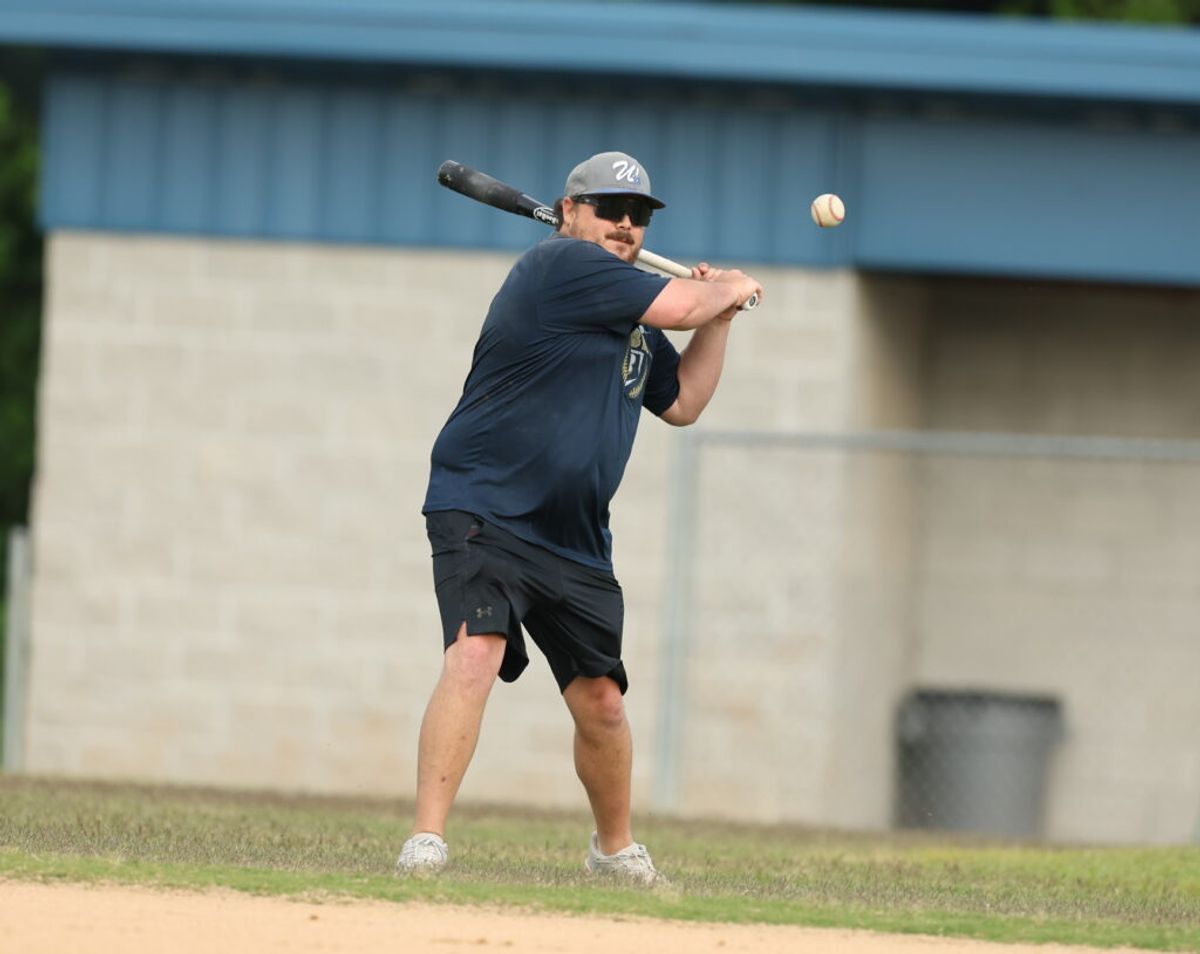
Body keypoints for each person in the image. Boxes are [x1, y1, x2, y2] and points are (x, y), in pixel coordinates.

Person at [396, 151, 763, 885]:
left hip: (574, 535)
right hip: (485, 502)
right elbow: (682, 305)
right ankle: (426, 842)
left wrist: (717, 320)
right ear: (569, 213)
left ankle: (613, 849)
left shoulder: (629, 316)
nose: (626, 225)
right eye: (609, 210)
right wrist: (726, 288)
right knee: (476, 652)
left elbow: (684, 404)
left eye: (638, 216)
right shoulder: (560, 267)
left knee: (602, 703)